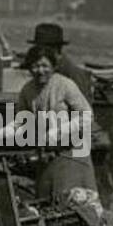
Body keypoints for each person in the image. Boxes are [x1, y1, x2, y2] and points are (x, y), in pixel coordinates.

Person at [14, 44, 97, 201]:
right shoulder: (27, 90)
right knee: (47, 204)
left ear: (53, 66)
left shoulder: (65, 85)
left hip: (72, 154)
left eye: (45, 65)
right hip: (46, 157)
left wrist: (58, 132)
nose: (40, 70)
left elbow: (87, 115)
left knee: (74, 203)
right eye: (35, 66)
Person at [29, 22, 94, 103]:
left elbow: (84, 112)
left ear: (56, 50)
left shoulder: (74, 76)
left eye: (44, 50)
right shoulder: (40, 68)